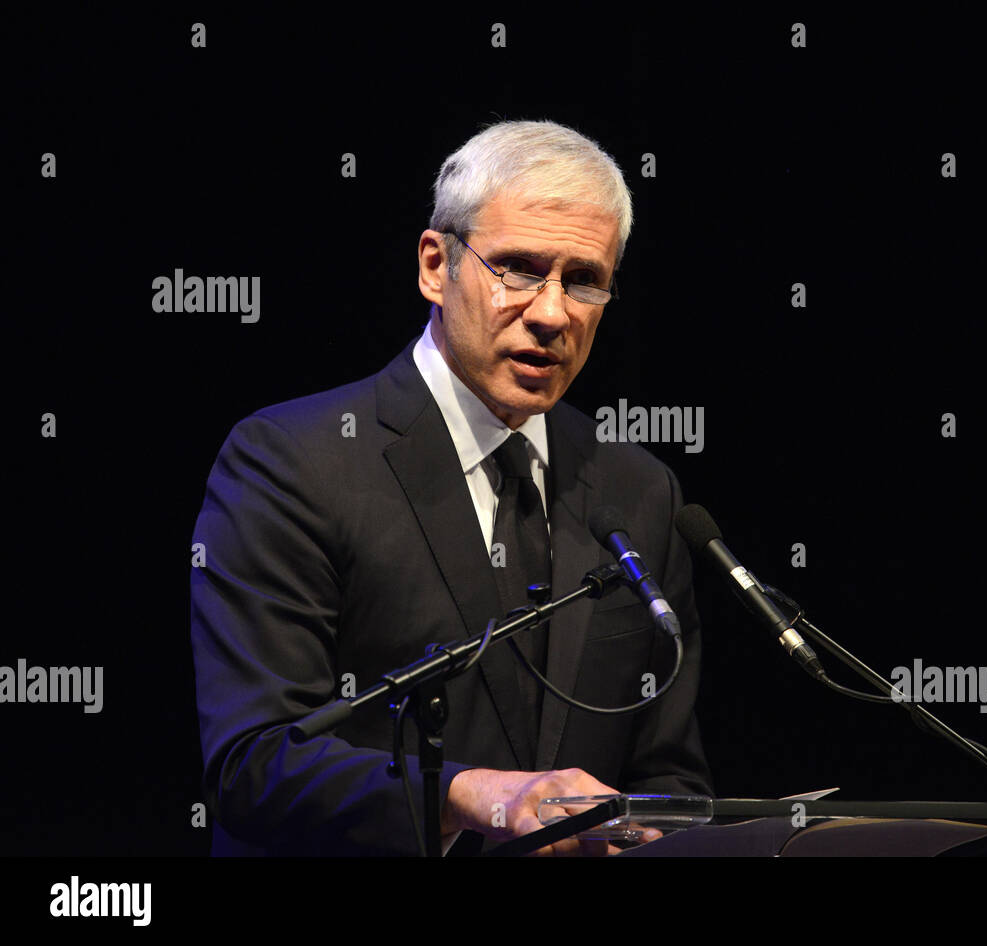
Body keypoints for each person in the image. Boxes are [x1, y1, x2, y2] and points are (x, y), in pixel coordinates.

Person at [189, 119, 712, 856]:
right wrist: (478, 797)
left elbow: (668, 775)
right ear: (436, 265)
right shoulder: (293, 463)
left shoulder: (638, 488)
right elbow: (257, 763)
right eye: (519, 268)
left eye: (585, 281)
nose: (554, 312)